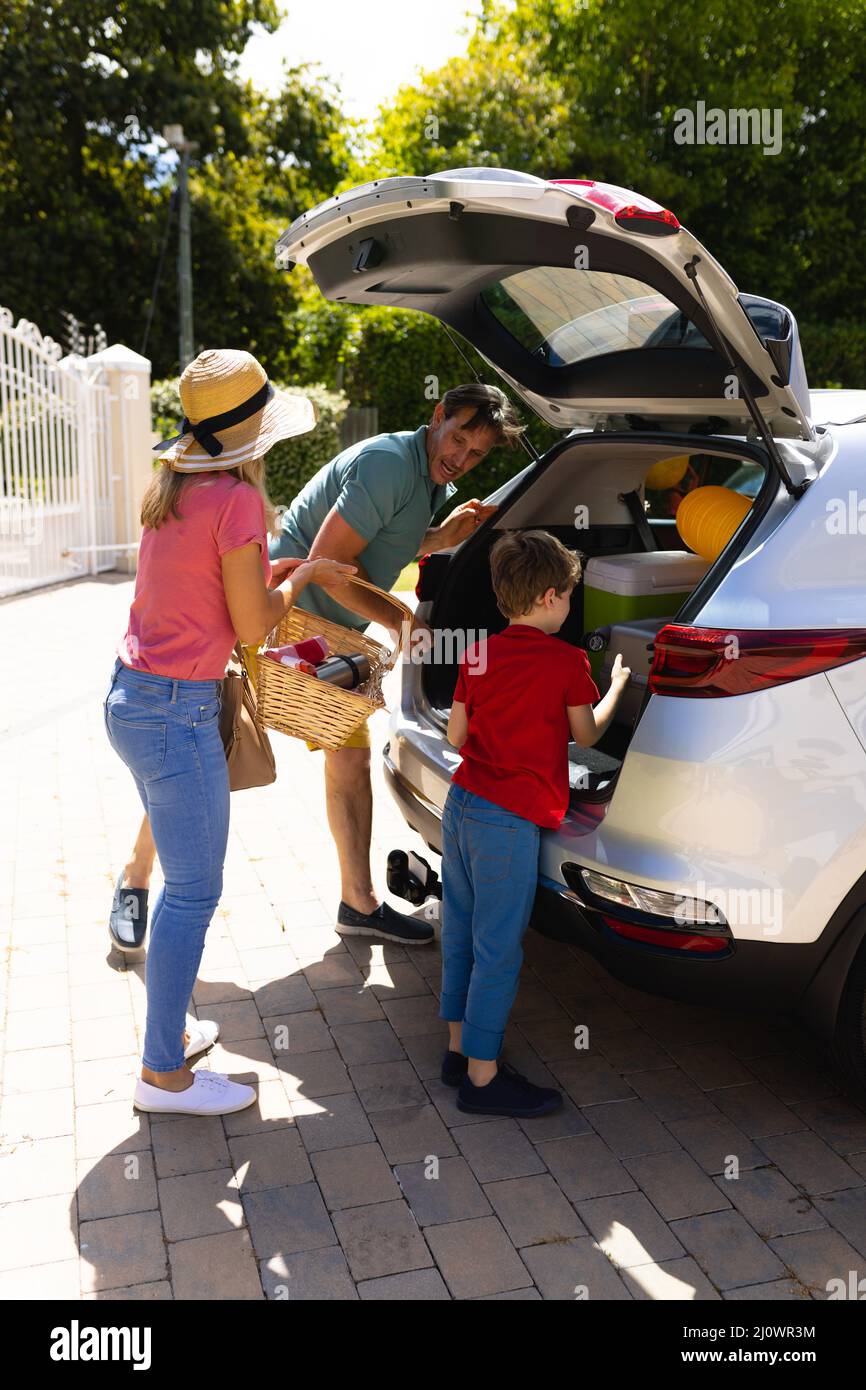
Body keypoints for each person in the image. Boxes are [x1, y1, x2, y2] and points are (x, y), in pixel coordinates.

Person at [110, 381, 525, 950]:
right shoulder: (388, 464)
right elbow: (328, 560)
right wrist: (404, 622)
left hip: (328, 632)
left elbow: (380, 539)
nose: (461, 458)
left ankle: (358, 904)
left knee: (335, 758)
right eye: (457, 439)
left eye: (476, 454)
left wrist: (437, 537)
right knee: (210, 758)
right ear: (438, 415)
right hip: (290, 625)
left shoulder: (425, 477)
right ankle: (135, 877)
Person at [105, 348, 355, 1116]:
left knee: (184, 886)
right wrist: (303, 579)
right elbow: (253, 624)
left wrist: (276, 566)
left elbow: (200, 583)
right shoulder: (238, 501)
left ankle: (169, 1041)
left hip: (130, 698)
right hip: (177, 713)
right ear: (255, 434)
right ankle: (163, 1079)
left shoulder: (174, 487)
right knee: (193, 892)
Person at [440, 530, 632, 1118]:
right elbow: (587, 735)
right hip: (508, 822)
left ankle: (456, 1051)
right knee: (499, 951)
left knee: (461, 934)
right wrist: (618, 686)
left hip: (462, 806)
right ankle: (482, 1079)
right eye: (570, 596)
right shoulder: (569, 661)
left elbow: (455, 736)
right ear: (550, 597)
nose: (569, 606)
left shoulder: (475, 653)